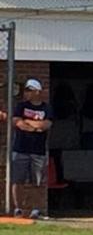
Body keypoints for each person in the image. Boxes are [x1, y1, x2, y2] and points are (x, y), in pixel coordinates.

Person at [11, 78, 53, 211]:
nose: (26, 93)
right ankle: (18, 208)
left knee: (38, 182)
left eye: (30, 90)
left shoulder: (46, 108)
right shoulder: (21, 106)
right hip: (20, 148)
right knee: (18, 180)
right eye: (26, 90)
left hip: (38, 150)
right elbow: (18, 122)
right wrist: (35, 128)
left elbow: (46, 124)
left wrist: (28, 122)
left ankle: (36, 209)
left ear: (37, 91)